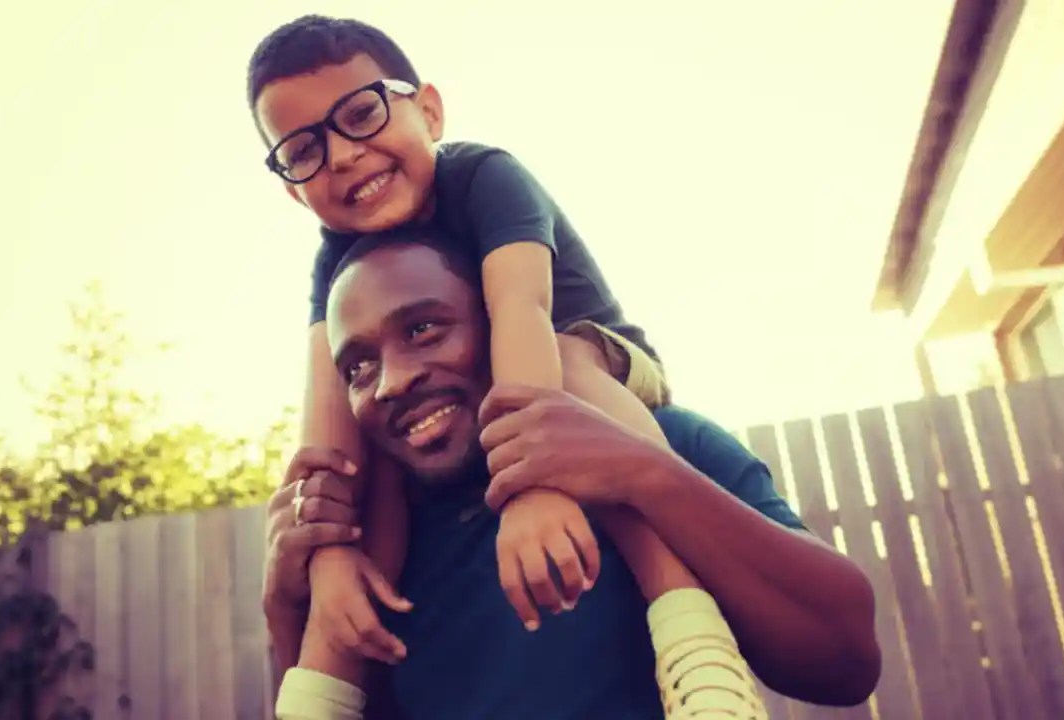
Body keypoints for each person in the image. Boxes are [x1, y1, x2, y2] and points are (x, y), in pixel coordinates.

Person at [247, 14, 777, 716]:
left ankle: (700, 664)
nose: (342, 154)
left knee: (568, 362)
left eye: (361, 113)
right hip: (502, 402)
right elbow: (328, 429)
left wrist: (537, 490)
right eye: (303, 150)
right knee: (369, 467)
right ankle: (319, 700)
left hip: (596, 368)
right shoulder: (332, 261)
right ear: (292, 188)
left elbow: (523, 307)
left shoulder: (484, 176)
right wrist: (332, 558)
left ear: (428, 109)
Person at [264, 231, 881, 719]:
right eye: (359, 367)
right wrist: (285, 608)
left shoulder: (663, 440)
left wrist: (644, 472)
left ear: (500, 329)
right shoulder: (375, 551)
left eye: (424, 329)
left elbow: (845, 662)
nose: (393, 380)